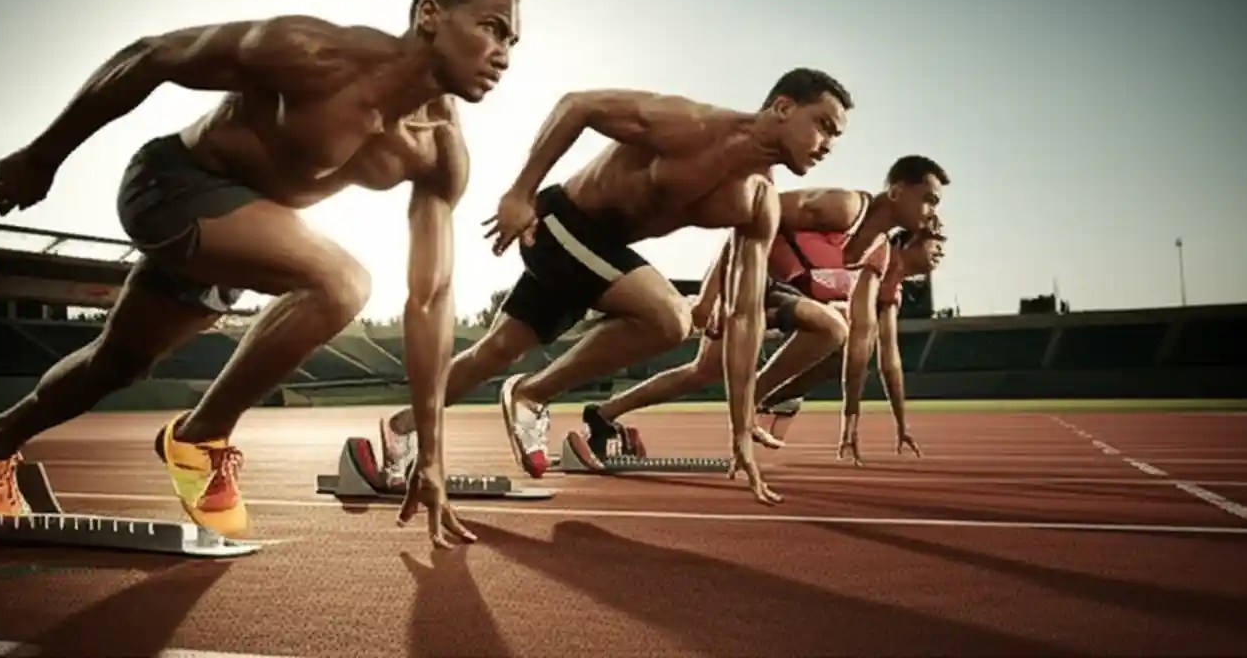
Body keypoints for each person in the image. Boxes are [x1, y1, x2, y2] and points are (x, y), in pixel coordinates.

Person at [0, 0, 520, 549]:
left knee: (114, 366)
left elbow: (432, 296)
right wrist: (43, 156)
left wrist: (431, 455)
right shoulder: (315, 53)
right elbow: (153, 55)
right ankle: (199, 436)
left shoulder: (439, 153)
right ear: (429, 14)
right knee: (341, 282)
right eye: (493, 28)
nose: (504, 53)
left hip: (241, 231)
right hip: (171, 185)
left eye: (513, 41)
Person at [379, 68, 854, 509]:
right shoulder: (690, 124)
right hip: (559, 223)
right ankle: (531, 395)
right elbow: (578, 105)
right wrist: (520, 193)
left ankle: (402, 428)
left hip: (596, 258)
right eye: (825, 125)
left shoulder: (759, 202)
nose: (829, 144)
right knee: (670, 318)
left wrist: (739, 431)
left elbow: (745, 315)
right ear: (784, 107)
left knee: (496, 350)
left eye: (837, 136)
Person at [578, 158, 948, 454]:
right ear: (897, 192)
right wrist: (711, 296)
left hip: (776, 293)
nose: (932, 211)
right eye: (929, 199)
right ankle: (747, 405)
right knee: (825, 329)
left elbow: (865, 342)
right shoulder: (845, 207)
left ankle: (608, 412)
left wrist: (852, 419)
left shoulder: (878, 252)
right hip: (749, 278)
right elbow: (751, 216)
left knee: (826, 330)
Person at [757, 216, 947, 463]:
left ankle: (777, 396)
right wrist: (850, 424)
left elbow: (890, 360)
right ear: (906, 243)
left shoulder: (891, 288)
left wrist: (902, 425)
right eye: (935, 241)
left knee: (843, 351)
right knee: (846, 327)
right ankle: (760, 379)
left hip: (808, 305)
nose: (942, 250)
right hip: (779, 277)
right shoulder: (878, 252)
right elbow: (861, 337)